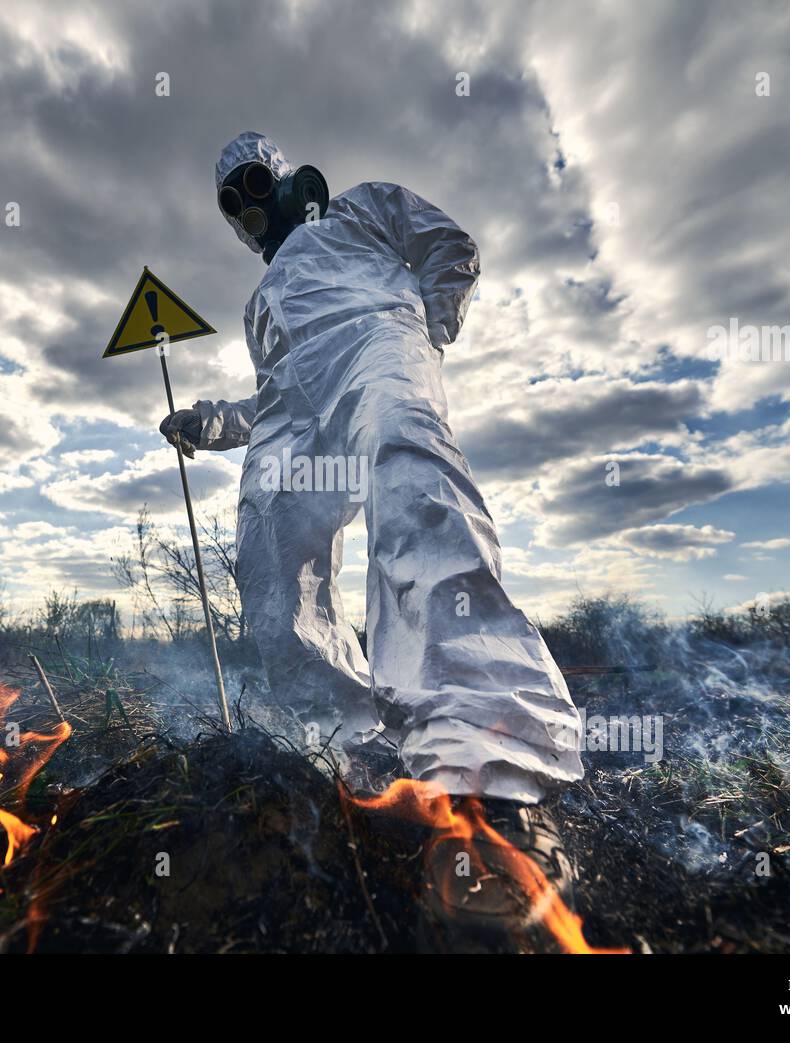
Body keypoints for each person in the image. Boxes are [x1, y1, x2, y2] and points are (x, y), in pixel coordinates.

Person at [161, 132, 583, 942]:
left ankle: (494, 784)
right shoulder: (261, 306)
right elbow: (267, 399)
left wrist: (422, 328)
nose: (249, 208)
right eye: (231, 203)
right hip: (300, 413)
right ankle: (357, 743)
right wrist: (208, 421)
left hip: (377, 348)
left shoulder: (362, 209)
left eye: (254, 184)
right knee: (269, 543)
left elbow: (449, 245)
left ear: (284, 177)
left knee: (411, 482)